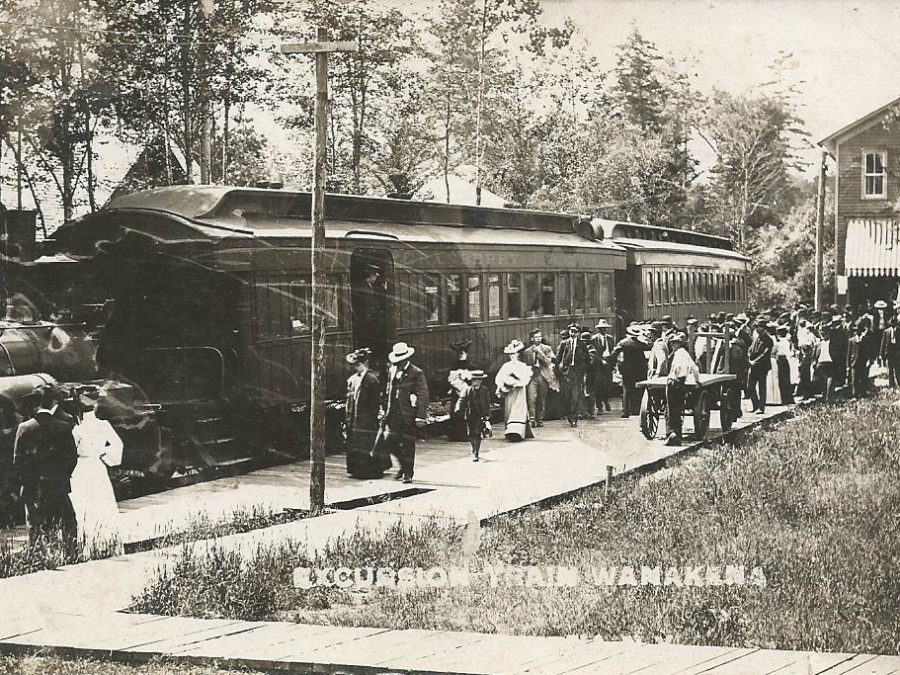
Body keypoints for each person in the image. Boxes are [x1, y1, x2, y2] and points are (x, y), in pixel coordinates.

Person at [12, 385, 78, 551]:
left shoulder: (25, 428)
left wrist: (27, 483)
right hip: (58, 485)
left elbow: (18, 462)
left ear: (36, 404)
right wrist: (61, 477)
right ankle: (69, 554)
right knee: (67, 523)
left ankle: (37, 558)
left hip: (34, 488)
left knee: (36, 526)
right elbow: (71, 459)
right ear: (52, 403)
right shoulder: (64, 426)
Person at [68, 387, 123, 557]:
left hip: (80, 468)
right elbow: (118, 445)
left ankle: (87, 548)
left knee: (83, 506)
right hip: (97, 467)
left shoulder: (76, 428)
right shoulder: (103, 425)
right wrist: (105, 456)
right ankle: (106, 544)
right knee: (102, 503)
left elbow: (71, 450)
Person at [381, 342, 429, 483]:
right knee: (389, 441)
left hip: (409, 414)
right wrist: (386, 410)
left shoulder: (416, 372)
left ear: (406, 359)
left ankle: (408, 472)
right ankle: (403, 465)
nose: (397, 363)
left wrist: (420, 415)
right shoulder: (392, 370)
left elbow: (423, 394)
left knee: (408, 443)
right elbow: (389, 391)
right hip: (394, 414)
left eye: (400, 361)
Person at [343, 348, 382, 478]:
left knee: (367, 443)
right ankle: (356, 470)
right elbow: (349, 400)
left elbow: (375, 402)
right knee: (355, 443)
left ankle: (370, 471)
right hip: (354, 416)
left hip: (366, 417)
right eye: (355, 366)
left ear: (365, 364)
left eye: (358, 365)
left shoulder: (372, 380)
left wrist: (372, 417)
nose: (356, 368)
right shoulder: (352, 379)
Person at [664, 333, 700, 446]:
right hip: (681, 384)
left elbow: (676, 369)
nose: (672, 345)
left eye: (674, 343)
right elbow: (695, 368)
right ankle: (677, 436)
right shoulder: (686, 354)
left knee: (670, 409)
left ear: (678, 344)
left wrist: (672, 376)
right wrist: (697, 380)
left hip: (673, 383)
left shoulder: (677, 354)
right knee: (678, 409)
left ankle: (671, 434)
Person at [495, 339, 534, 441]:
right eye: (510, 354)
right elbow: (499, 378)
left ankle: (517, 432)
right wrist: (504, 384)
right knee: (510, 409)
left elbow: (525, 379)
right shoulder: (506, 366)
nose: (512, 356)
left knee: (518, 409)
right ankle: (510, 431)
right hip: (510, 393)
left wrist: (516, 382)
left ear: (518, 354)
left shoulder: (522, 366)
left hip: (519, 392)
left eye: (514, 353)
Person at [609, 325, 648, 418]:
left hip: (626, 370)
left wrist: (611, 363)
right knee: (637, 390)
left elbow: (614, 353)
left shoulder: (623, 343)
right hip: (639, 370)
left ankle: (625, 411)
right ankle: (635, 409)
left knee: (626, 390)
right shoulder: (641, 344)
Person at [522, 329, 557, 428]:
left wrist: (540, 353)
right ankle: (532, 419)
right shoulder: (527, 351)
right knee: (531, 398)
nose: (538, 339)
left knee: (541, 399)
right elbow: (526, 365)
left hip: (543, 376)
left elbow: (548, 362)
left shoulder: (547, 348)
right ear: (532, 339)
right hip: (532, 376)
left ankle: (540, 419)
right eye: (536, 337)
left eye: (539, 336)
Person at [556, 323, 590, 427]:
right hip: (566, 373)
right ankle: (568, 414)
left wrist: (582, 371)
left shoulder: (582, 345)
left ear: (578, 333)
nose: (573, 333)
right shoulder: (564, 343)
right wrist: (560, 370)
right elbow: (558, 358)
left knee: (575, 396)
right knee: (566, 396)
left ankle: (573, 418)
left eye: (575, 332)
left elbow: (587, 359)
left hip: (577, 374)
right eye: (571, 331)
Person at [460, 370, 492, 461]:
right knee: (470, 434)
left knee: (477, 433)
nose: (474, 382)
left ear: (481, 381)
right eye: (473, 380)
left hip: (480, 415)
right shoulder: (468, 390)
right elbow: (463, 400)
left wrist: (487, 414)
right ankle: (474, 448)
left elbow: (487, 402)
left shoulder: (485, 390)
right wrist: (459, 409)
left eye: (477, 380)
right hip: (470, 415)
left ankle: (476, 452)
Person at [447, 340, 473, 441]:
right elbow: (451, 378)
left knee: (464, 410)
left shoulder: (469, 365)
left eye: (462, 353)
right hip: (458, 390)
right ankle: (456, 433)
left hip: (465, 390)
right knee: (457, 410)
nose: (461, 355)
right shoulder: (455, 365)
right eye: (459, 353)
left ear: (466, 353)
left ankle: (462, 433)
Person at [746, 319, 773, 414]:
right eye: (756, 327)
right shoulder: (756, 338)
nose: (757, 329)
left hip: (762, 366)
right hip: (753, 366)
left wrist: (754, 362)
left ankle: (761, 407)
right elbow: (751, 349)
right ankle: (755, 405)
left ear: (764, 328)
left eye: (759, 327)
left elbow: (765, 354)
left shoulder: (768, 340)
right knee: (750, 386)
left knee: (762, 387)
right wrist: (749, 357)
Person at [813, 324, 836, 402]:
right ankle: (825, 396)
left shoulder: (832, 342)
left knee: (830, 380)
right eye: (821, 333)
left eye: (824, 333)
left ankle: (828, 398)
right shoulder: (818, 344)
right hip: (820, 363)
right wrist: (814, 364)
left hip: (830, 362)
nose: (822, 334)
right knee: (822, 381)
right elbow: (814, 356)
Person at [774, 325, 795, 405]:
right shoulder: (786, 341)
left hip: (781, 359)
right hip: (785, 360)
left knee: (782, 380)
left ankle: (784, 398)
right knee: (786, 379)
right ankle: (788, 398)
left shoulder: (780, 342)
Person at [881, 316, 900, 387]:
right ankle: (891, 384)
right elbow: (883, 344)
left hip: (897, 352)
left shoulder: (899, 331)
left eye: (894, 324)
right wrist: (881, 354)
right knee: (890, 369)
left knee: (897, 368)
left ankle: (899, 383)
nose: (893, 326)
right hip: (889, 352)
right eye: (892, 325)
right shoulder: (886, 332)